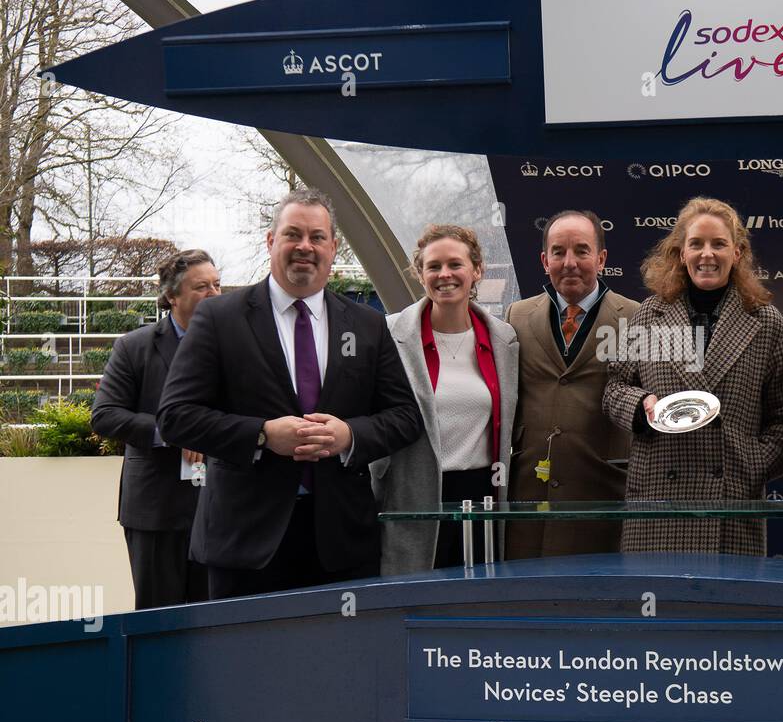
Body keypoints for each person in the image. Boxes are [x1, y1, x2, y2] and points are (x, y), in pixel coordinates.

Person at [157, 188, 422, 598]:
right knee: (246, 661)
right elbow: (175, 416)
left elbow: (405, 415)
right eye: (292, 234)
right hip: (245, 544)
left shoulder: (369, 326)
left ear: (333, 247)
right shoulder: (219, 317)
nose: (305, 246)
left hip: (341, 544)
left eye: (317, 237)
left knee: (342, 661)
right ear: (270, 241)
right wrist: (262, 434)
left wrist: (349, 436)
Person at [603, 196, 783, 556]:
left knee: (724, 609)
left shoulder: (766, 323)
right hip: (657, 503)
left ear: (738, 253)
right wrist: (640, 405)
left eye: (719, 244)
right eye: (696, 244)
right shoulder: (650, 314)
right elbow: (615, 387)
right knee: (657, 608)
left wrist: (753, 465)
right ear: (681, 253)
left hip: (730, 504)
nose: (706, 254)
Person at [372, 224, 518, 573]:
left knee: (475, 605)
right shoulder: (388, 336)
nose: (444, 274)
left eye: (455, 264)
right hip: (413, 492)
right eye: (433, 266)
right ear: (419, 274)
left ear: (477, 270)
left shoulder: (505, 339)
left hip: (482, 495)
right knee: (415, 601)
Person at [505, 210, 639, 559]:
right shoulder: (516, 316)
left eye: (581, 251)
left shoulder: (637, 317)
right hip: (528, 501)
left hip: (604, 497)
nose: (569, 262)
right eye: (558, 252)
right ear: (544, 260)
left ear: (601, 258)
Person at [91, 249, 220, 609]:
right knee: (159, 624)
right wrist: (173, 432)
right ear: (172, 296)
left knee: (214, 621)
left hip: (217, 509)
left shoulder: (232, 346)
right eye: (201, 287)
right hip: (156, 511)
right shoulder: (134, 347)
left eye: (217, 285)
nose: (213, 294)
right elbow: (104, 415)